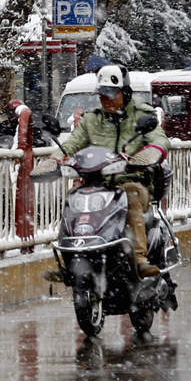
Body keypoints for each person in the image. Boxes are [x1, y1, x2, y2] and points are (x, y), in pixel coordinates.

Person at [57, 65, 167, 277]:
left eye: (110, 95)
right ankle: (68, 258)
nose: (105, 100)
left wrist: (148, 154)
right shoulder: (92, 119)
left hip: (132, 181)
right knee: (73, 201)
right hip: (97, 185)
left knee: (130, 195)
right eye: (102, 95)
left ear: (124, 93)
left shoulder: (141, 115)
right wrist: (54, 158)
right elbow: (72, 143)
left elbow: (158, 139)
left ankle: (139, 258)